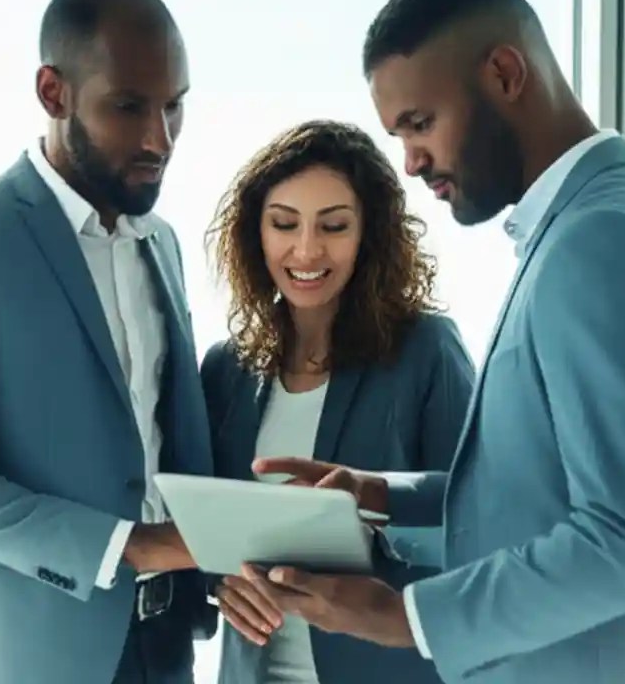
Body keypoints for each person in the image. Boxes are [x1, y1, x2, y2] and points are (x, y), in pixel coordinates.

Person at [241, 0, 625, 684]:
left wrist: (403, 618)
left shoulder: (600, 244)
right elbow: (548, 496)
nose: (410, 162)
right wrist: (379, 494)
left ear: (504, 73)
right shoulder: (618, 220)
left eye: (420, 123)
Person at [0, 0, 214, 684]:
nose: (160, 139)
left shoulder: (163, 244)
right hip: (37, 656)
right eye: (129, 107)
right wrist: (127, 546)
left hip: (167, 651)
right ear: (53, 92)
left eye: (175, 108)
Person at [200, 119, 475, 684]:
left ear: (367, 235)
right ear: (257, 233)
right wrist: (220, 585)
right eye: (284, 224)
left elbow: (476, 520)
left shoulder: (426, 350)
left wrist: (372, 522)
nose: (306, 249)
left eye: (334, 226)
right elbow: (207, 528)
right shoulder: (226, 370)